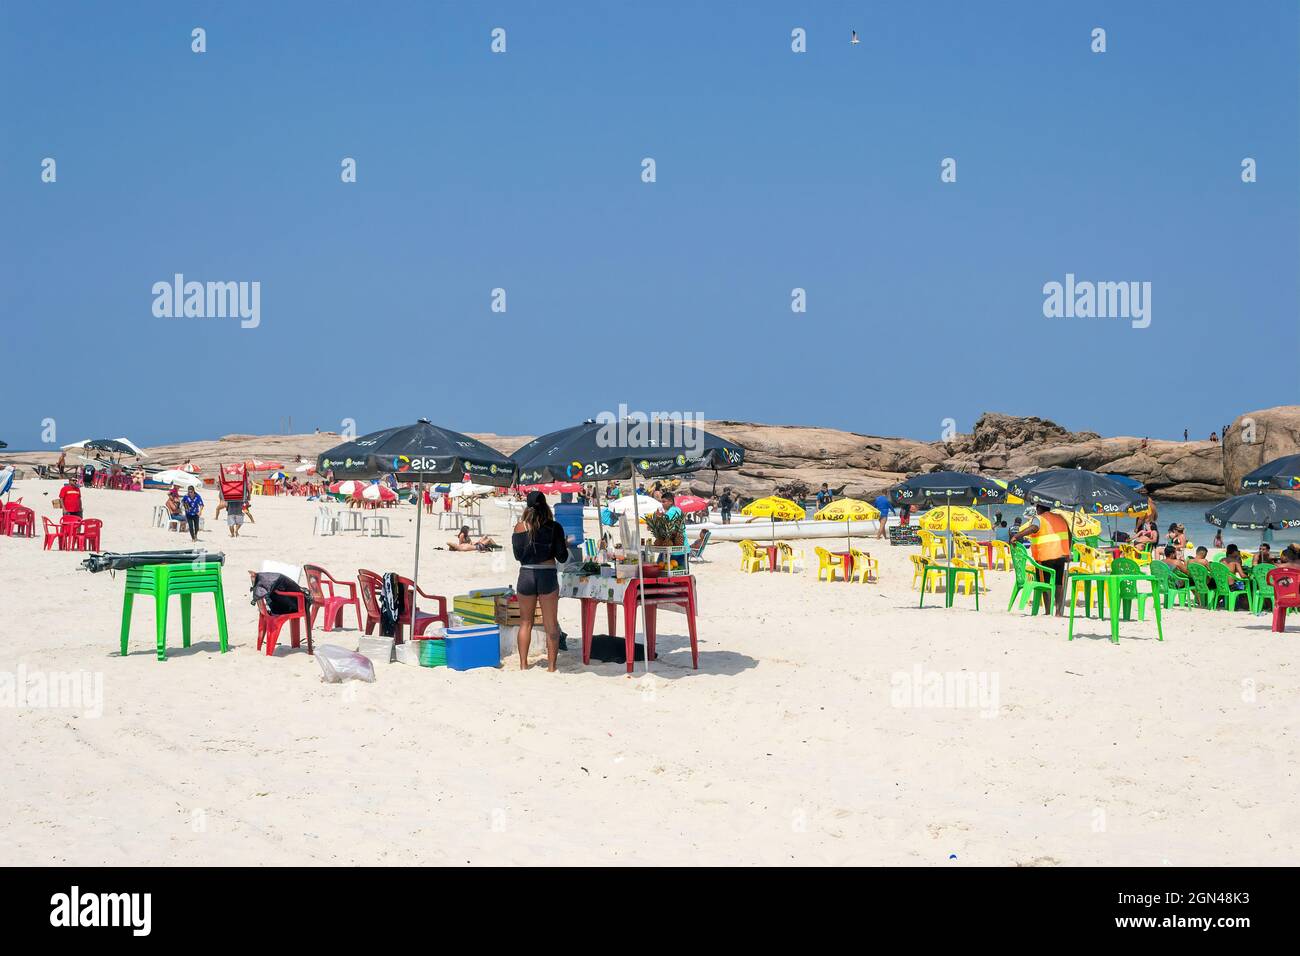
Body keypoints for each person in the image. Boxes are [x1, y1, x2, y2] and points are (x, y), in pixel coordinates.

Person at [512, 491, 567, 672]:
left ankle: (523, 665)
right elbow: (563, 557)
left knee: (525, 623)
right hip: (547, 575)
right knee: (550, 624)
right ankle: (551, 667)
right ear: (545, 505)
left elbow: (518, 556)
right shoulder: (554, 527)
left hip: (526, 575)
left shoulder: (520, 527)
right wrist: (563, 543)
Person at [1009, 503, 1071, 617]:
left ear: (1038, 508)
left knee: (1044, 583)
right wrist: (1068, 550)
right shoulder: (1060, 518)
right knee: (1058, 583)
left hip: (1045, 555)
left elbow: (1034, 528)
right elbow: (1069, 533)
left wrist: (1017, 536)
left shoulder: (1039, 518)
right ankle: (1058, 612)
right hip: (1061, 555)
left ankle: (1048, 611)